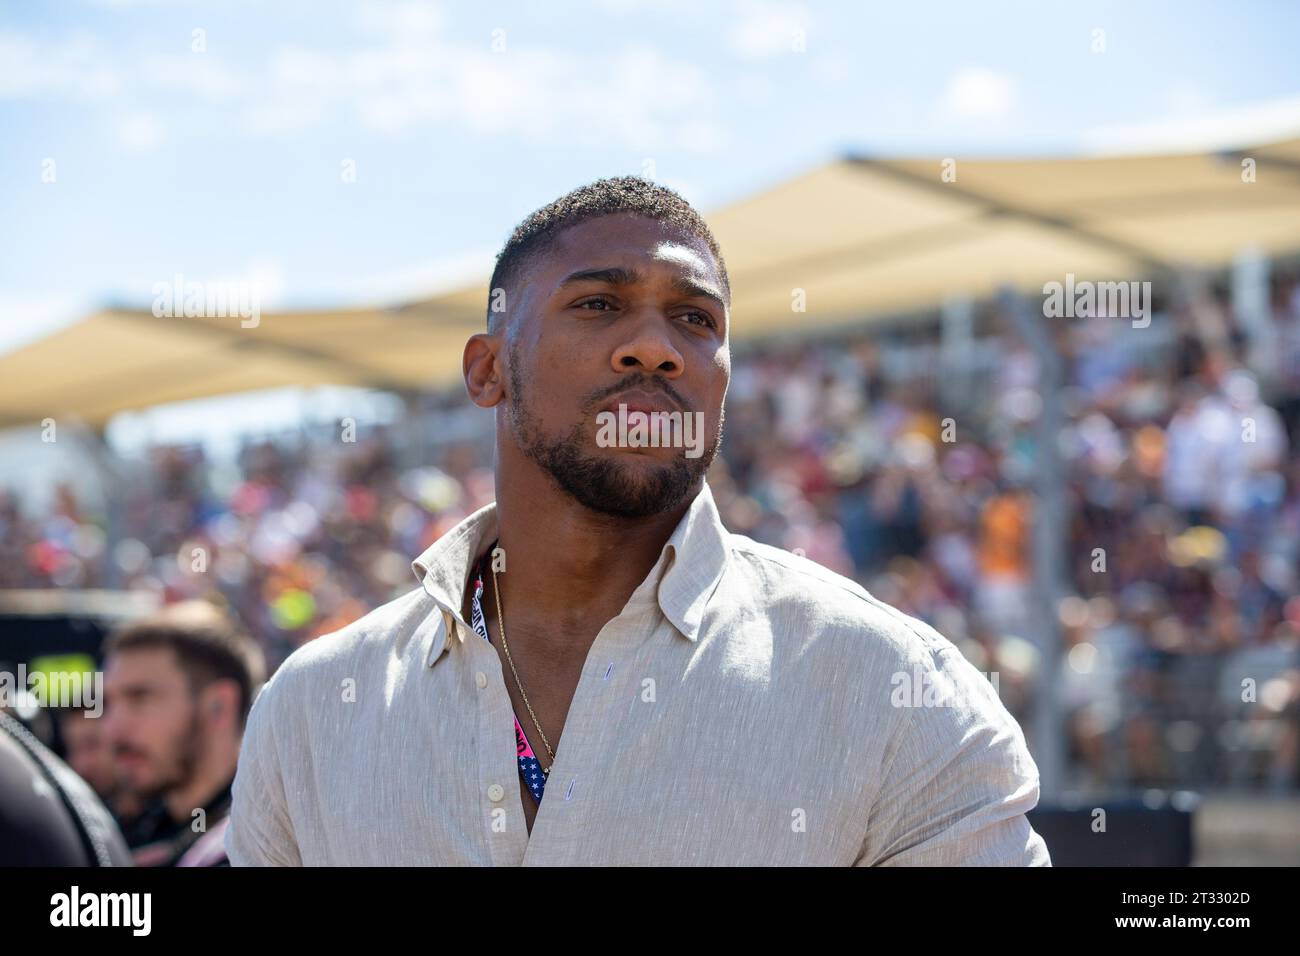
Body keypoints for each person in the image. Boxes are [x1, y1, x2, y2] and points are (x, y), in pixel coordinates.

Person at [227, 177, 1050, 866]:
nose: (654, 348)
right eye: (598, 304)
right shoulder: (312, 713)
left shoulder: (893, 693)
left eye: (697, 319)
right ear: (487, 371)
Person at [103, 600, 265, 866]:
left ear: (219, 706)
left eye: (140, 697)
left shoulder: (264, 848)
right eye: (109, 703)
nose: (113, 727)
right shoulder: (126, 832)